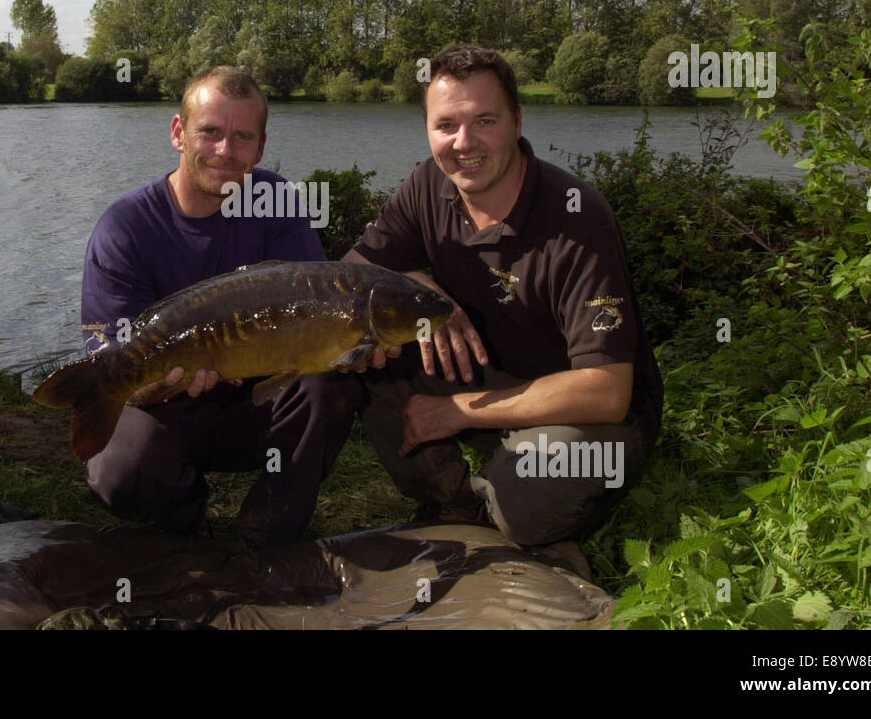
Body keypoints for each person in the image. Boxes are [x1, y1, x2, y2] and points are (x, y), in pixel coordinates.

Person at [343, 45, 663, 546]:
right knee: (364, 346)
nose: (463, 143)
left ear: (517, 121)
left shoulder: (579, 219)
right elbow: (351, 276)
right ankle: (455, 501)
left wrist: (457, 412)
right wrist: (418, 286)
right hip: (491, 377)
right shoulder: (430, 183)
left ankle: (519, 501)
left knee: (526, 504)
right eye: (445, 125)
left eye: (484, 121)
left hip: (590, 412)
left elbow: (607, 390)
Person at [79, 65, 358, 547]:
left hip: (258, 403)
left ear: (261, 146)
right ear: (178, 132)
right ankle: (186, 518)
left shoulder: (277, 202)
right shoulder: (124, 228)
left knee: (328, 382)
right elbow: (111, 355)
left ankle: (270, 526)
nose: (226, 152)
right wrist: (167, 384)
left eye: (242, 137)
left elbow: (318, 312)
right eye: (210, 132)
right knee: (117, 468)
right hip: (169, 410)